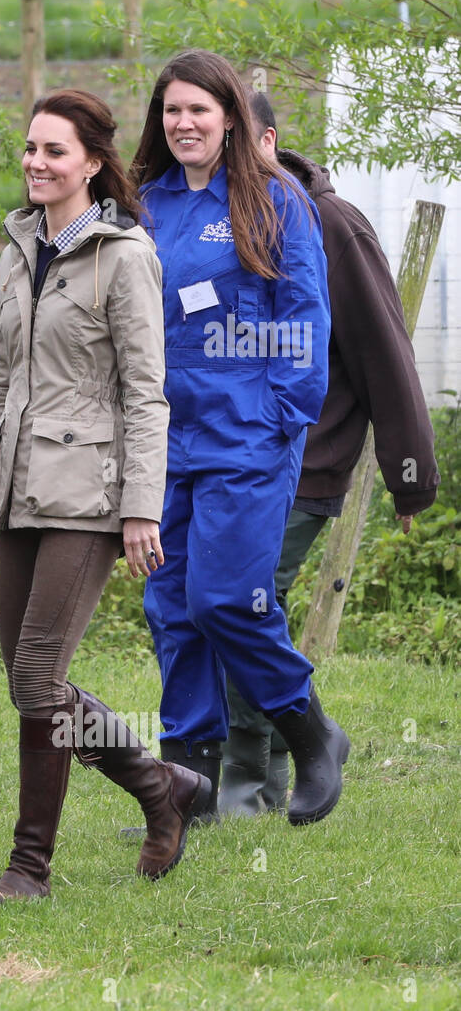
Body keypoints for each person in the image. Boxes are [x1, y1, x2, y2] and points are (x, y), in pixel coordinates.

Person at [0, 89, 210, 905]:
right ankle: (160, 783)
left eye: (53, 151)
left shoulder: (124, 256)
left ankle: (30, 867)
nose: (35, 163)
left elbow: (147, 393)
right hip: (18, 492)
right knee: (28, 682)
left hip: (90, 496)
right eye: (29, 148)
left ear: (91, 163)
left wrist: (141, 506)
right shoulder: (16, 244)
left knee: (36, 676)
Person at [131, 50, 349, 826]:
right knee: (172, 608)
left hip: (249, 435)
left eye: (199, 108)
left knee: (228, 598)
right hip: (166, 442)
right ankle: (186, 791)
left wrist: (283, 415)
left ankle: (313, 732)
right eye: (171, 110)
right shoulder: (145, 205)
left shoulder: (276, 202)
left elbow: (304, 317)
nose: (183, 122)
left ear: (229, 117)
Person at [218, 92, 440, 814]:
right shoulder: (217, 225)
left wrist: (410, 475)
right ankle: (245, 775)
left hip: (304, 464)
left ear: (269, 142)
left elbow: (386, 352)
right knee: (227, 606)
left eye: (233, 140)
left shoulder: (332, 224)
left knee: (243, 601)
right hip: (226, 456)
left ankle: (254, 781)